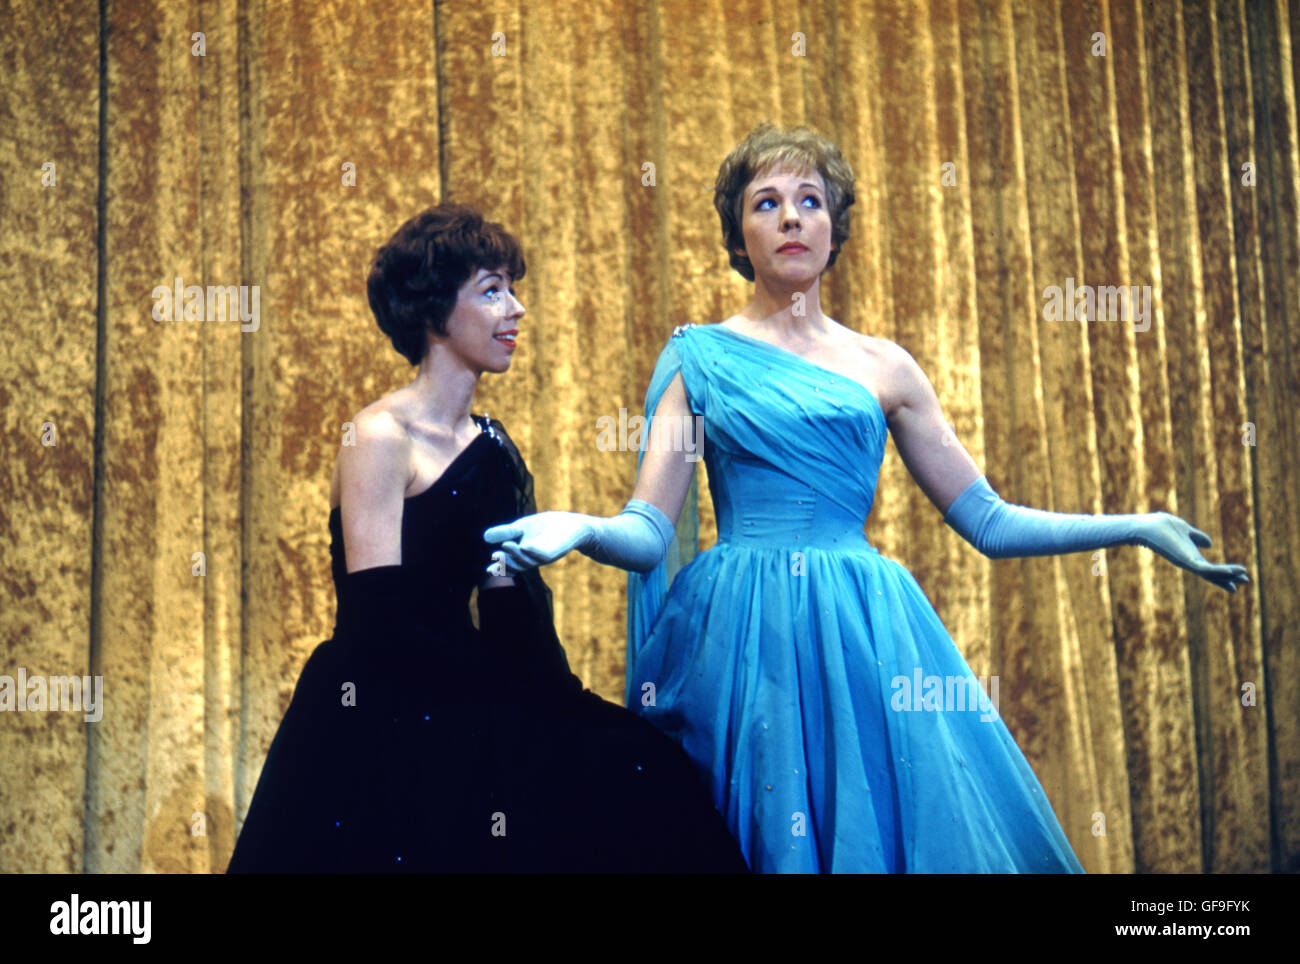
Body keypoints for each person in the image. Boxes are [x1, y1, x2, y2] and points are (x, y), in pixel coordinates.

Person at [483, 122, 1250, 873]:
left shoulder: (888, 368)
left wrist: (1137, 527)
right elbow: (650, 529)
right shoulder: (697, 359)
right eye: (766, 202)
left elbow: (987, 519)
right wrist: (583, 527)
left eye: (810, 200)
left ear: (834, 227)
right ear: (738, 233)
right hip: (741, 638)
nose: (790, 217)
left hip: (863, 632)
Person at [226, 202, 749, 873]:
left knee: (642, 770)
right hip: (381, 701)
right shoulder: (380, 437)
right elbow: (377, 621)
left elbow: (510, 606)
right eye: (493, 290)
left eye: (514, 288)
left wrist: (556, 707)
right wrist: (497, 695)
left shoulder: (493, 444)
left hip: (474, 692)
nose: (517, 310)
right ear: (436, 311)